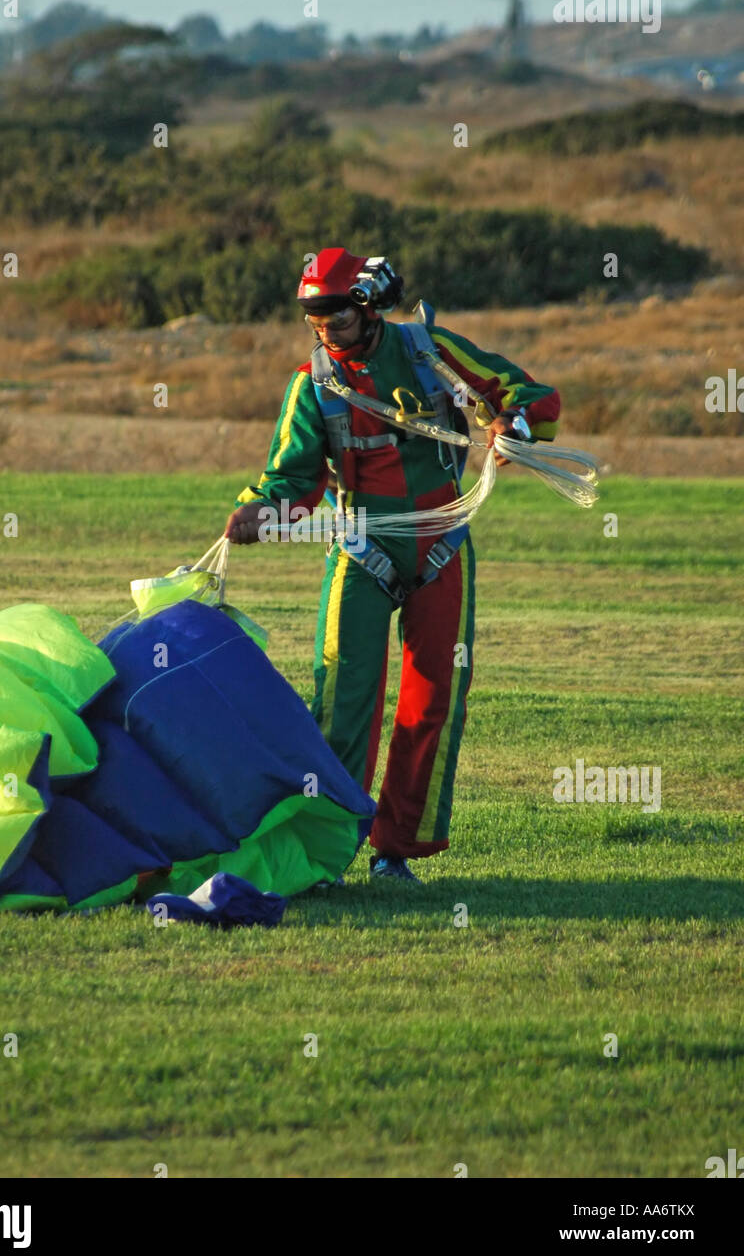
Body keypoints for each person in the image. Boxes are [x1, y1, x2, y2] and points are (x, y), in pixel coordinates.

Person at [224, 248, 560, 883]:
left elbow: (526, 392)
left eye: (337, 317)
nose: (326, 330)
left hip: (442, 547)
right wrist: (259, 511)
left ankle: (395, 851)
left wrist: (512, 425)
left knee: (435, 696)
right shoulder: (311, 384)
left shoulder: (431, 351)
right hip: (361, 551)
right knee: (342, 698)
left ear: (368, 306)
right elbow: (292, 478)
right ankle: (324, 853)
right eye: (314, 320)